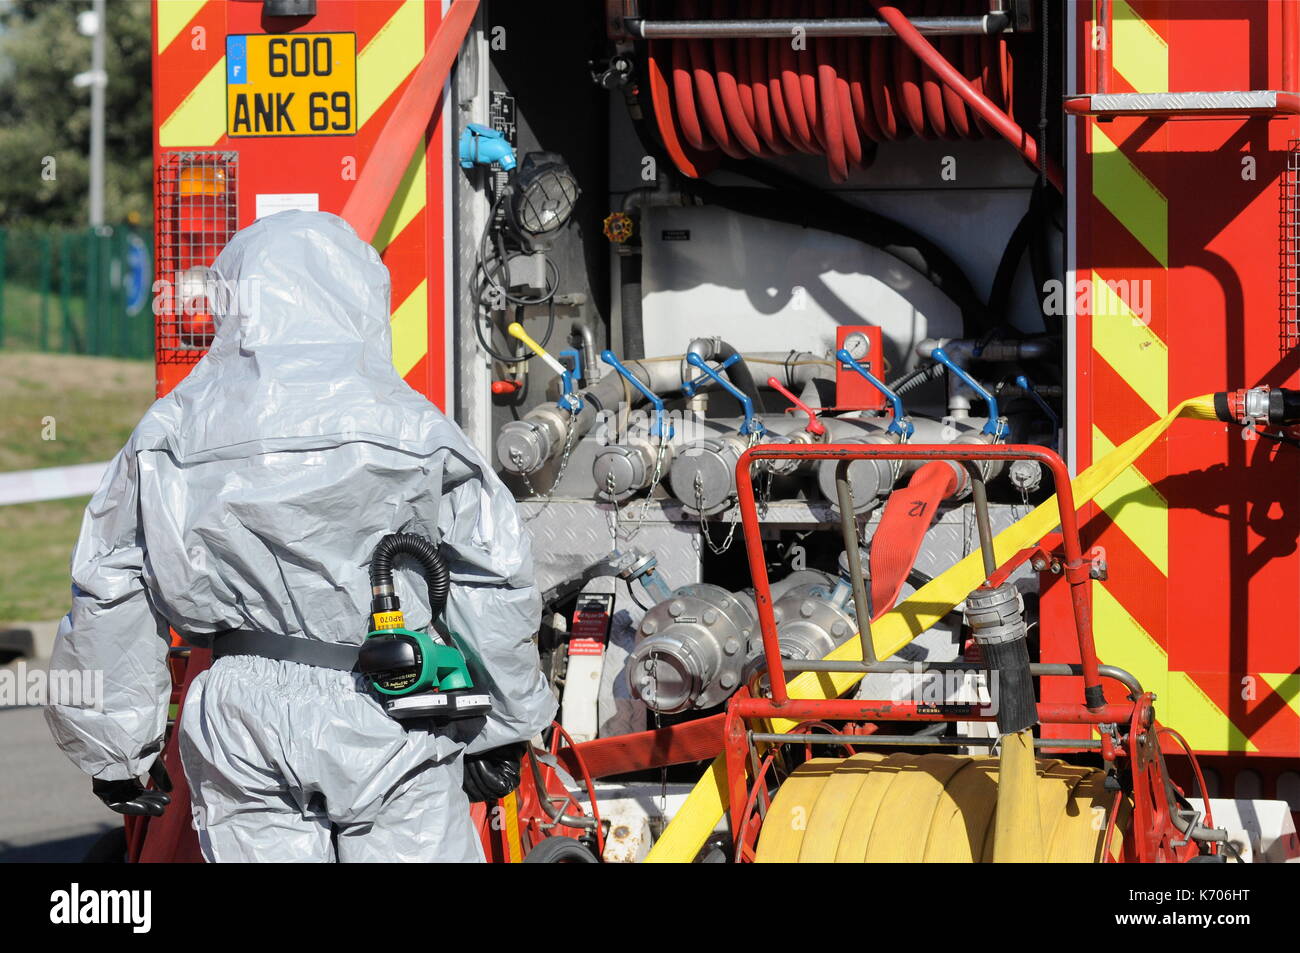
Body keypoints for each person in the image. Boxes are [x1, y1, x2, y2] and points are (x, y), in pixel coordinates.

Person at [45, 210, 556, 862]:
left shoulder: (171, 430)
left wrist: (115, 750)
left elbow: (110, 581)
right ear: (360, 297)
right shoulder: (411, 424)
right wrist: (504, 726)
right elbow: (492, 571)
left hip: (241, 713)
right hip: (391, 699)